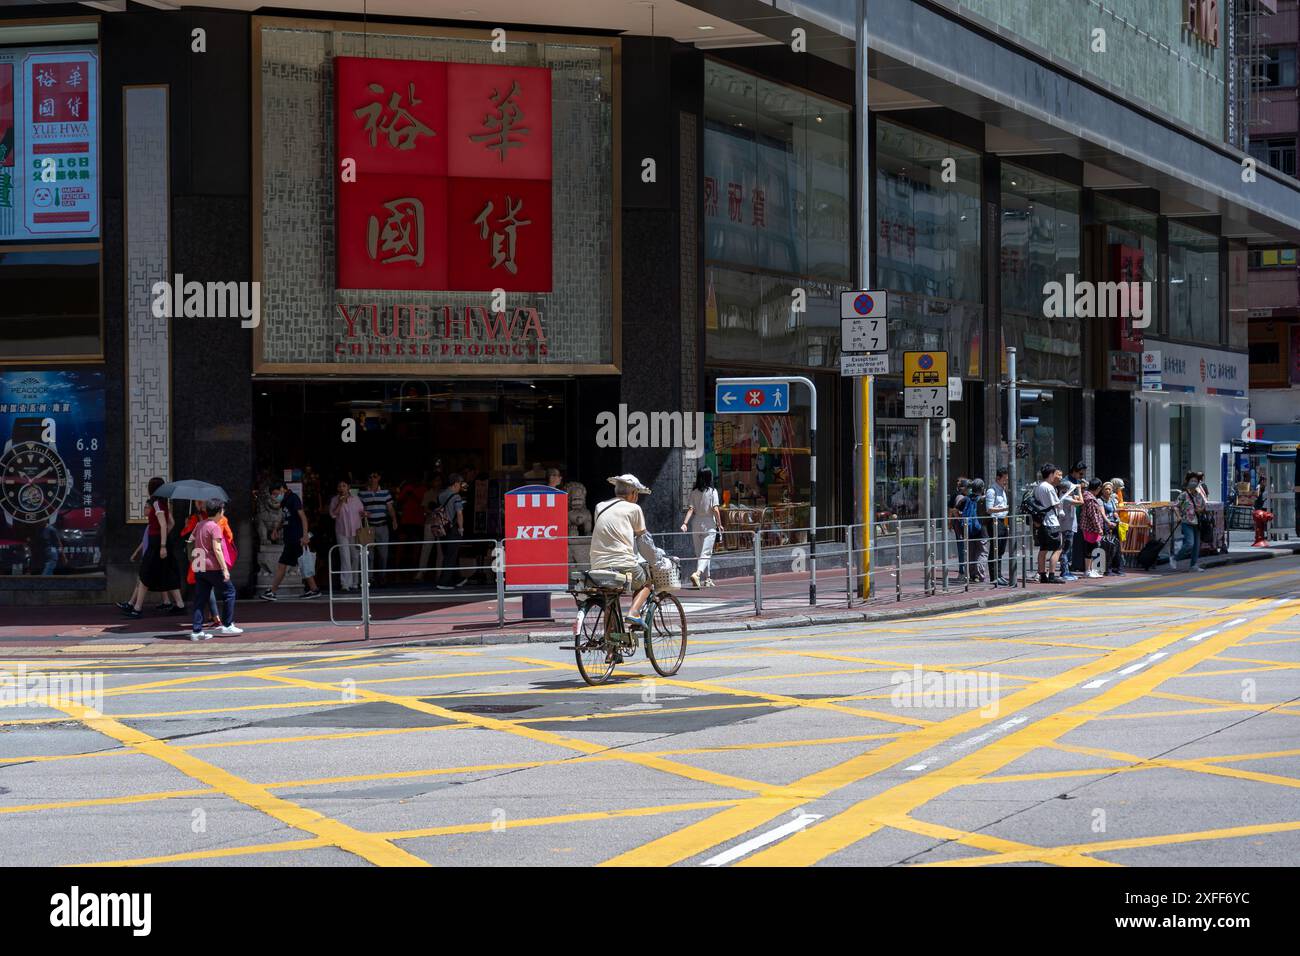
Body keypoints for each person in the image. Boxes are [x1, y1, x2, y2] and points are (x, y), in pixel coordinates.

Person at [590, 474, 654, 659]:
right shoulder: (634, 509)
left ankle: (612, 651)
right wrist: (655, 559)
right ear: (633, 493)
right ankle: (634, 612)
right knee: (646, 583)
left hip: (598, 565)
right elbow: (644, 541)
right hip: (623, 563)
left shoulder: (600, 507)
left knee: (610, 600)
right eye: (637, 494)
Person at [118, 477, 185, 618]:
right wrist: (165, 539)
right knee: (169, 573)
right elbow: (171, 523)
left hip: (156, 543)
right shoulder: (164, 504)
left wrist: (162, 545)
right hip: (162, 542)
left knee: (145, 574)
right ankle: (179, 605)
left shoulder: (156, 504)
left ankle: (137, 608)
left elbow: (163, 525)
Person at [189, 498, 242, 640]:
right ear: (219, 511)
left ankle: (197, 631)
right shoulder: (215, 527)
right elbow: (217, 549)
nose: (223, 512)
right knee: (230, 592)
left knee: (200, 599)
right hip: (212, 566)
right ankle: (227, 624)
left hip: (199, 566)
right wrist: (224, 569)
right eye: (223, 510)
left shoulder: (200, 524)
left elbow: (190, 539)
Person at [259, 480, 321, 600]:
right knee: (290, 564)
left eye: (275, 493)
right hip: (291, 539)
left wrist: (304, 536)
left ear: (282, 488)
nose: (274, 496)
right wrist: (276, 529)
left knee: (299, 564)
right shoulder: (285, 501)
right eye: (273, 494)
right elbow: (285, 518)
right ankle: (313, 590)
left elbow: (303, 517)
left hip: (297, 538)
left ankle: (273, 591)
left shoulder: (293, 498)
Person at [681, 467, 722, 589]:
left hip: (696, 522)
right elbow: (715, 509)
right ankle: (697, 574)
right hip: (709, 523)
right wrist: (719, 524)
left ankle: (708, 578)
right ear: (709, 477)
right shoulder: (712, 491)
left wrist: (685, 523)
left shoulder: (694, 492)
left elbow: (691, 509)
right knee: (706, 552)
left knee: (700, 553)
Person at [357, 472, 398, 586]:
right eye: (370, 477)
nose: (372, 479)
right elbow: (359, 510)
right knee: (369, 554)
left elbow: (390, 508)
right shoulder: (362, 494)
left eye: (374, 476)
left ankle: (382, 576)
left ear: (379, 478)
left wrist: (394, 519)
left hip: (382, 525)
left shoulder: (385, 493)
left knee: (383, 553)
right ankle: (369, 577)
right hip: (368, 527)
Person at [329, 479, 366, 591]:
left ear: (348, 487)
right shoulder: (335, 500)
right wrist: (340, 502)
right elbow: (333, 514)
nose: (342, 488)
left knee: (355, 556)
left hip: (355, 531)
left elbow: (361, 511)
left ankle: (355, 582)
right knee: (345, 557)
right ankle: (345, 583)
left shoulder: (355, 499)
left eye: (344, 486)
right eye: (340, 486)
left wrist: (364, 513)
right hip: (342, 531)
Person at [435, 473, 468, 590]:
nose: (461, 486)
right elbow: (459, 513)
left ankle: (457, 579)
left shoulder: (441, 495)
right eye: (460, 483)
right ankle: (444, 582)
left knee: (449, 554)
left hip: (442, 528)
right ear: (455, 484)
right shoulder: (456, 497)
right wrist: (461, 528)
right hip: (452, 529)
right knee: (451, 555)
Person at [1034, 464, 1064, 584]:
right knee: (1058, 548)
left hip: (1041, 522)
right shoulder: (1049, 487)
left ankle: (1042, 575)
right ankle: (1052, 575)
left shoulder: (1038, 487)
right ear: (1051, 474)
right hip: (1051, 522)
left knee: (1043, 549)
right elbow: (1056, 504)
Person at [1056, 461, 1086, 582]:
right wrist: (1078, 490)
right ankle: (1064, 571)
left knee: (1067, 548)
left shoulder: (1066, 496)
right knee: (1066, 548)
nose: (1081, 476)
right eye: (1080, 473)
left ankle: (1066, 570)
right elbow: (1081, 501)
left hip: (1069, 522)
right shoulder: (1066, 495)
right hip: (1067, 524)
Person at [1172, 473, 1207, 572]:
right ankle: (1175, 557)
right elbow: (1175, 505)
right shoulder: (1183, 495)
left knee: (1196, 546)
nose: (1194, 483)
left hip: (1197, 523)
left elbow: (1204, 506)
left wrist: (1200, 509)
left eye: (1196, 481)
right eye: (1192, 480)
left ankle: (1193, 565)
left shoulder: (1199, 495)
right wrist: (1178, 516)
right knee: (1189, 544)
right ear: (1188, 482)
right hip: (1186, 522)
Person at [396, 475, 427, 581]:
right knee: (401, 544)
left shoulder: (423, 489)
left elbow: (423, 502)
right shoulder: (407, 487)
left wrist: (413, 494)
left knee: (416, 546)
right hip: (405, 520)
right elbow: (399, 500)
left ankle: (415, 568)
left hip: (417, 521)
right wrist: (406, 493)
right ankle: (397, 568)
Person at [985, 467, 1011, 587]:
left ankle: (999, 574)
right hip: (995, 521)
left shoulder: (1003, 490)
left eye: (1007, 479)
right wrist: (1003, 509)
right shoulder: (992, 490)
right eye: (1004, 479)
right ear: (998, 478)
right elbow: (989, 509)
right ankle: (993, 576)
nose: (1006, 481)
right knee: (995, 549)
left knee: (1000, 549)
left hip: (1003, 520)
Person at [1079, 478, 1108, 578]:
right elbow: (1093, 516)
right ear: (1098, 488)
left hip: (1090, 527)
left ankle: (1090, 569)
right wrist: (1099, 528)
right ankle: (1088, 570)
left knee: (1091, 548)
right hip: (1091, 528)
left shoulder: (1088, 497)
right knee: (1090, 548)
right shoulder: (1090, 499)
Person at [965, 478, 989, 583]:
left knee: (971, 553)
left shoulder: (967, 499)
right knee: (982, 552)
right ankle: (980, 575)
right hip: (981, 529)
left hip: (969, 529)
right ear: (982, 488)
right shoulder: (982, 500)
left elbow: (956, 509)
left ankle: (972, 575)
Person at [1099, 481, 1124, 575]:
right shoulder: (1100, 501)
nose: (1108, 491)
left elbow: (1115, 512)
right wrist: (1108, 522)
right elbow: (1102, 513)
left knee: (1116, 547)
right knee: (1107, 547)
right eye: (1106, 489)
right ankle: (1107, 569)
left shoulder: (1112, 500)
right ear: (1102, 490)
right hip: (1105, 525)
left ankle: (1117, 568)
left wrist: (1118, 519)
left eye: (1110, 489)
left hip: (1114, 524)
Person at [948, 477, 970, 584]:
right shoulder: (957, 496)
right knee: (962, 548)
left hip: (964, 526)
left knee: (965, 548)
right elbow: (952, 510)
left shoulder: (969, 496)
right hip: (961, 526)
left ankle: (965, 571)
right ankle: (962, 571)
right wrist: (950, 522)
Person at [1252, 474, 1273, 547]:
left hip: (1268, 505)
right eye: (1263, 480)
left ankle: (1270, 534)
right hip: (1262, 506)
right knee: (1262, 522)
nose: (1264, 481)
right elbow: (1257, 495)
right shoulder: (1259, 486)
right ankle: (1264, 535)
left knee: (1268, 521)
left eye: (1265, 480)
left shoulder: (1271, 486)